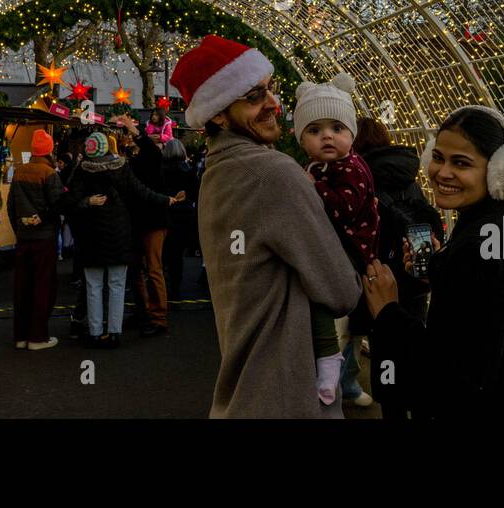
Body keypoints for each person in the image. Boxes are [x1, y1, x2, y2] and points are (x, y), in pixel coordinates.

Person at [170, 35, 359, 417]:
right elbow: (340, 291)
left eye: (269, 90)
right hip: (287, 393)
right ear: (218, 113)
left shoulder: (217, 173)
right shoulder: (273, 174)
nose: (273, 104)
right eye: (254, 96)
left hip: (244, 389)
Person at [361, 106, 504, 418]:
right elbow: (492, 307)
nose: (442, 172)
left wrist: (388, 311)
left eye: (461, 163)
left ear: (499, 173)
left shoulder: (476, 247)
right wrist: (439, 269)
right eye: (438, 157)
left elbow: (450, 380)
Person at [292, 72, 380, 407]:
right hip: (338, 252)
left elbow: (342, 207)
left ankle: (334, 380)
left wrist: (311, 186)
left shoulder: (351, 169)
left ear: (352, 135)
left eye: (337, 129)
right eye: (315, 131)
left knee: (336, 322)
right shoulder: (321, 167)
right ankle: (335, 379)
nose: (327, 137)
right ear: (302, 139)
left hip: (351, 253)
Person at [354, 115, 444, 417]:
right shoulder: (409, 177)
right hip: (415, 284)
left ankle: (393, 408)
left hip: (382, 286)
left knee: (387, 359)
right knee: (416, 353)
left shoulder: (361, 180)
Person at [62, 131, 183, 349]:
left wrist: (87, 202)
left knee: (94, 285)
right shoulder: (122, 166)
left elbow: (69, 200)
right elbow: (141, 191)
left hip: (92, 235)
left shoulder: (81, 170)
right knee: (117, 285)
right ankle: (114, 332)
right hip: (119, 231)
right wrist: (166, 200)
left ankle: (95, 331)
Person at [116, 114, 174, 336]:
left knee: (153, 268)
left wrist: (134, 129)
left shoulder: (152, 158)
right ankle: (144, 310)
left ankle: (158, 318)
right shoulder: (134, 162)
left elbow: (148, 148)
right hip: (137, 220)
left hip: (153, 220)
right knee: (136, 270)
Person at [7, 129, 64, 350]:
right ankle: (37, 337)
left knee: (22, 286)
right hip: (44, 237)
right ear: (49, 150)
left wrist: (19, 229)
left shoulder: (20, 172)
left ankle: (20, 336)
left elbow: (11, 207)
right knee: (43, 286)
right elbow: (58, 204)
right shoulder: (49, 174)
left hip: (23, 237)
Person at [159, 137, 199, 301]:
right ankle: (175, 290)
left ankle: (162, 289)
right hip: (184, 216)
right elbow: (196, 192)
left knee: (162, 255)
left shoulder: (160, 170)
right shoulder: (188, 170)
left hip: (164, 213)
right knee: (177, 257)